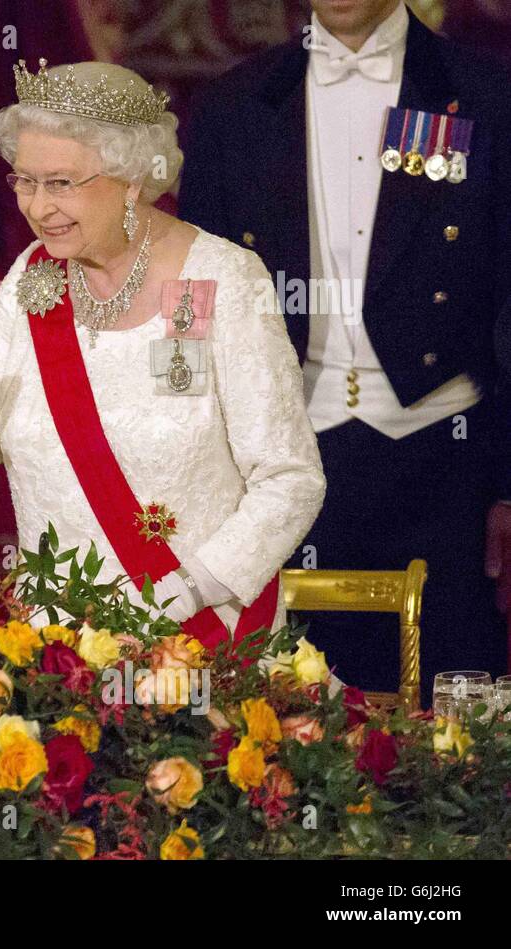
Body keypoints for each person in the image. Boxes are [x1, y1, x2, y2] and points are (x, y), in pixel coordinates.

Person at [0, 60, 326, 646]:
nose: (37, 207)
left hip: (203, 639)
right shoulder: (32, 277)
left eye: (62, 183)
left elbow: (289, 478)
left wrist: (195, 587)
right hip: (58, 654)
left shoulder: (218, 279)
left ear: (130, 179)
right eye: (25, 180)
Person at [179, 0, 511, 696]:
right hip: (288, 458)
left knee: (450, 742)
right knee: (283, 735)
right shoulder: (231, 106)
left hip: (443, 458)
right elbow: (198, 313)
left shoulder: (489, 96)